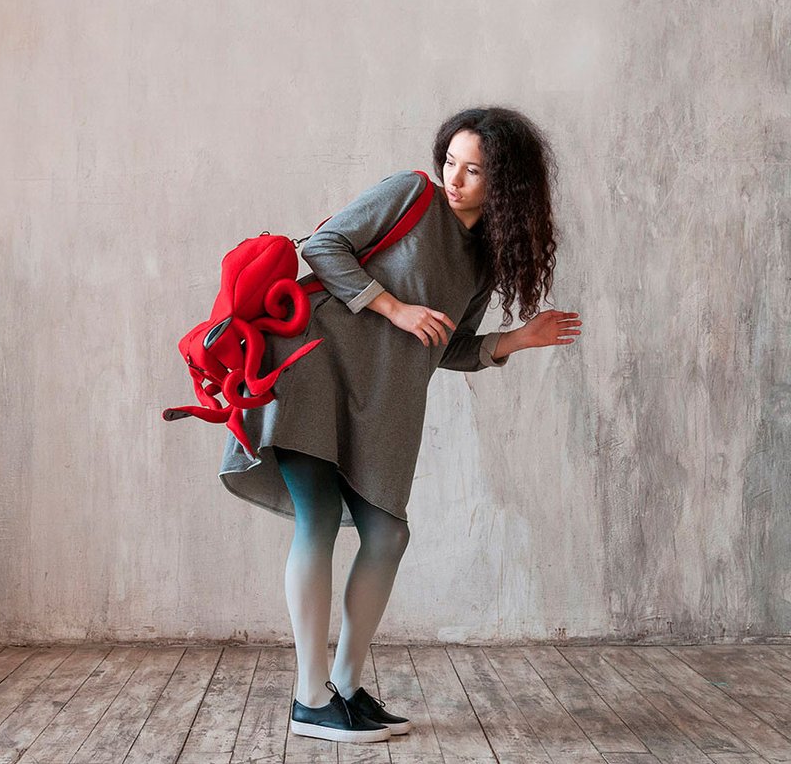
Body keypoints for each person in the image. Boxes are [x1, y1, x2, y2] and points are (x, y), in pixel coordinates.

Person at [218, 106, 582, 743]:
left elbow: (446, 346)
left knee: (386, 535)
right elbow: (322, 245)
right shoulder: (411, 193)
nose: (456, 179)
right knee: (320, 519)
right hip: (311, 367)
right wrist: (392, 306)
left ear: (507, 189)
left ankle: (347, 689)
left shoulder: (482, 264)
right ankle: (309, 698)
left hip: (378, 405)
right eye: (452, 162)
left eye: (474, 171)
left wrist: (518, 339)